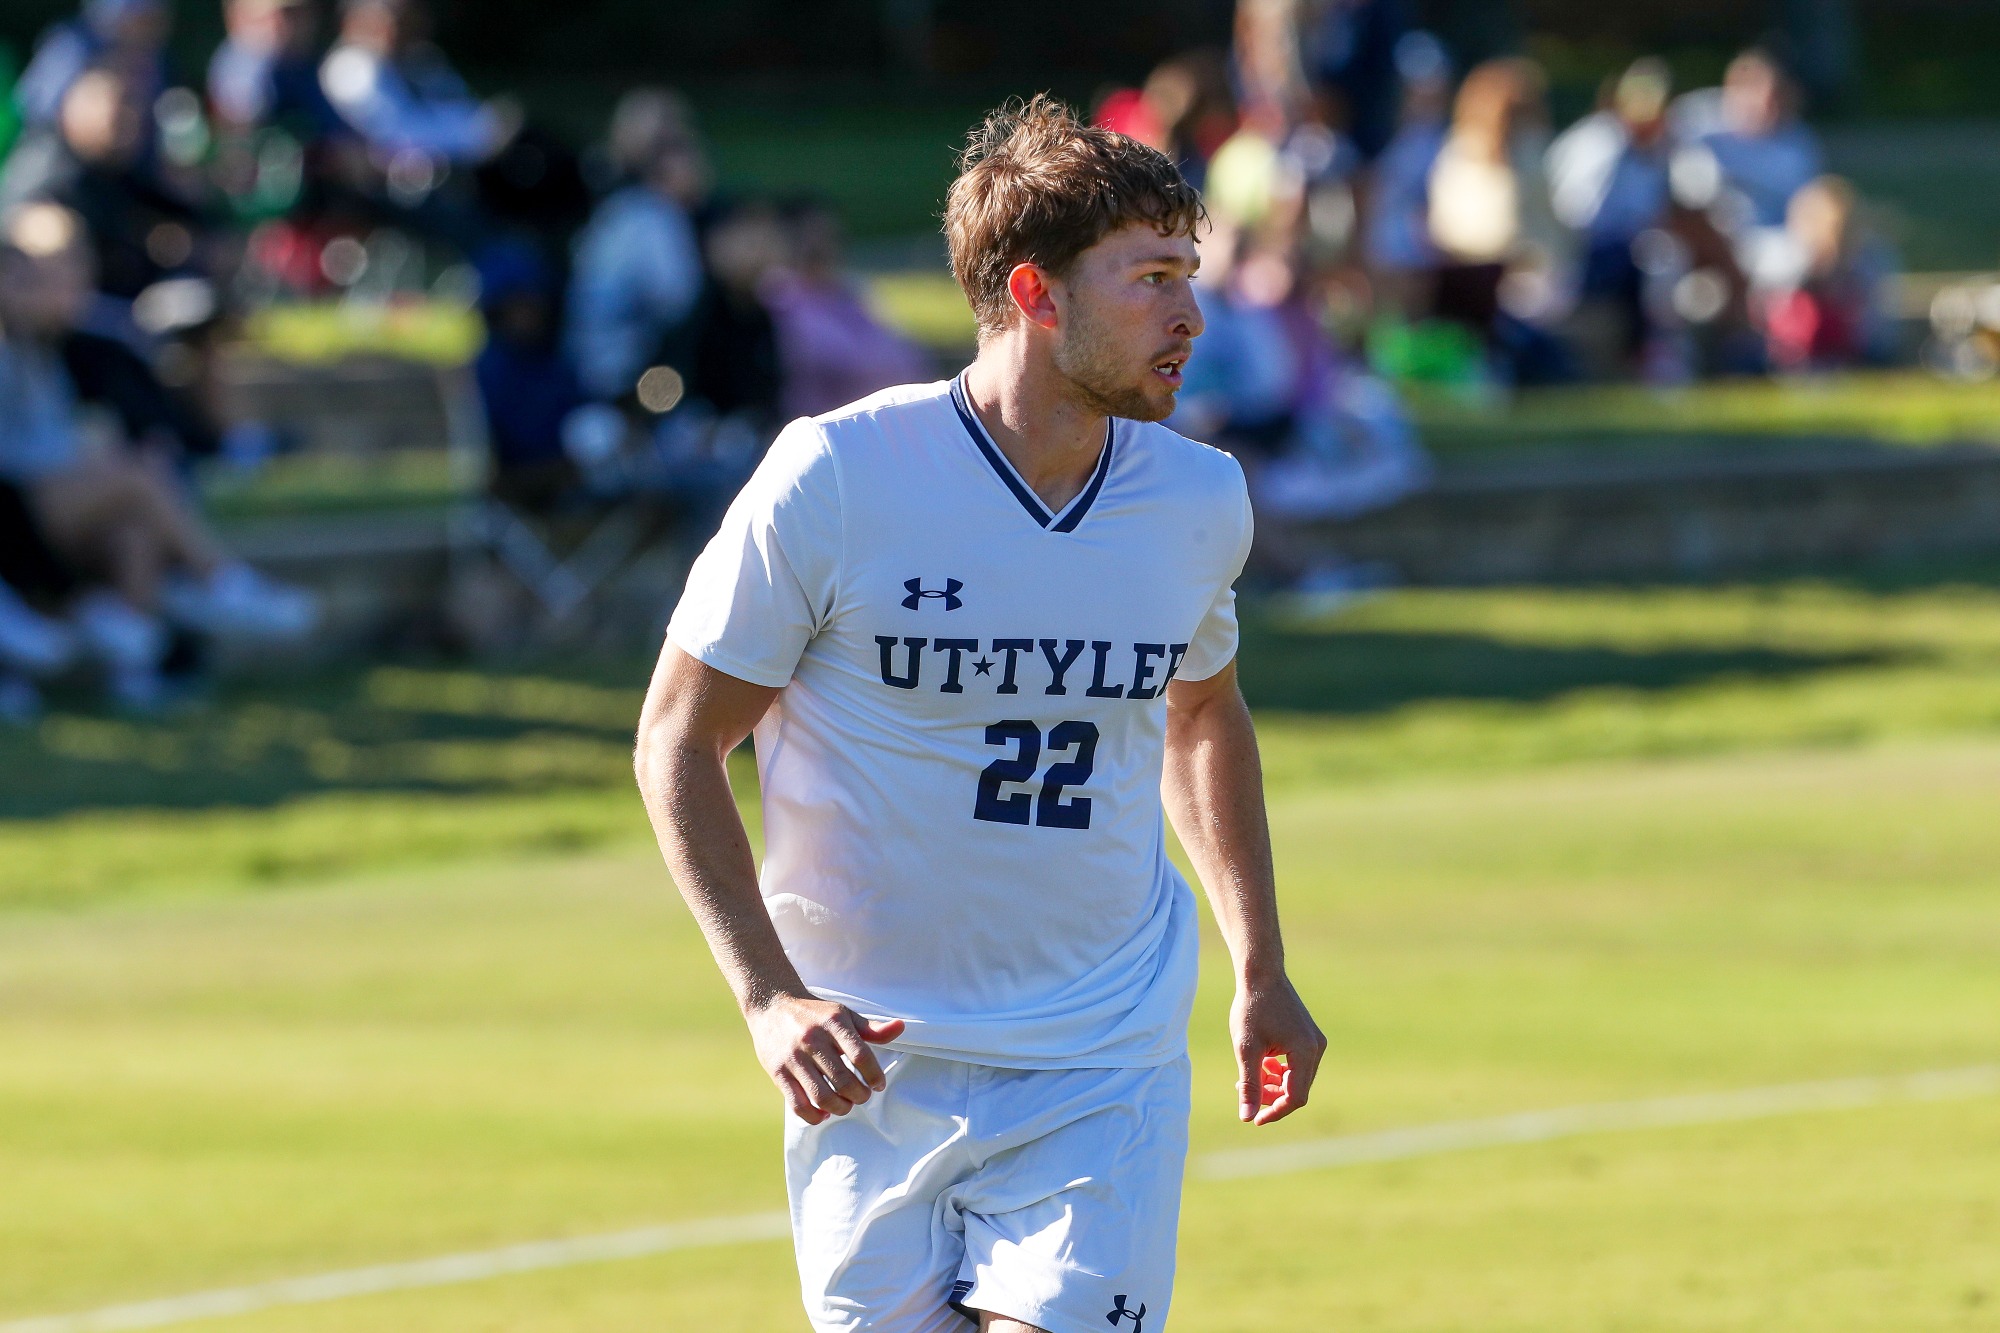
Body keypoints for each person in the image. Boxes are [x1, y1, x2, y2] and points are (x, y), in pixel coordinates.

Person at [634, 96, 1325, 1333]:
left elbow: (1202, 712)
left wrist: (1257, 964)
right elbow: (679, 737)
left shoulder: (1197, 496)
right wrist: (766, 996)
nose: (1189, 316)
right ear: (1035, 292)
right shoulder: (838, 476)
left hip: (1096, 1055)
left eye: (1189, 274)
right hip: (867, 1067)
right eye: (1150, 278)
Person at [0, 203, 316, 707]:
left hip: (44, 503)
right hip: (15, 510)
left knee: (134, 531)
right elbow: (19, 455)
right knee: (138, 478)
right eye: (33, 276)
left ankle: (135, 672)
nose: (54, 287)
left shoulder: (49, 344)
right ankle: (217, 578)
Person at [565, 88, 708, 404]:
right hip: (627, 380)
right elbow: (678, 302)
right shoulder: (653, 216)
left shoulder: (627, 206)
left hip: (591, 364)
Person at [764, 196, 930, 422]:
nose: (822, 247)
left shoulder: (849, 293)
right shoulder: (777, 297)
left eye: (830, 237)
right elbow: (834, 361)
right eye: (808, 238)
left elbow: (906, 356)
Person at [13, 0, 172, 133]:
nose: (150, 27)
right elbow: (31, 104)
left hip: (130, 164)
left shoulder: (157, 61)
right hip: (58, 153)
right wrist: (80, 118)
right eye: (143, 18)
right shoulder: (74, 42)